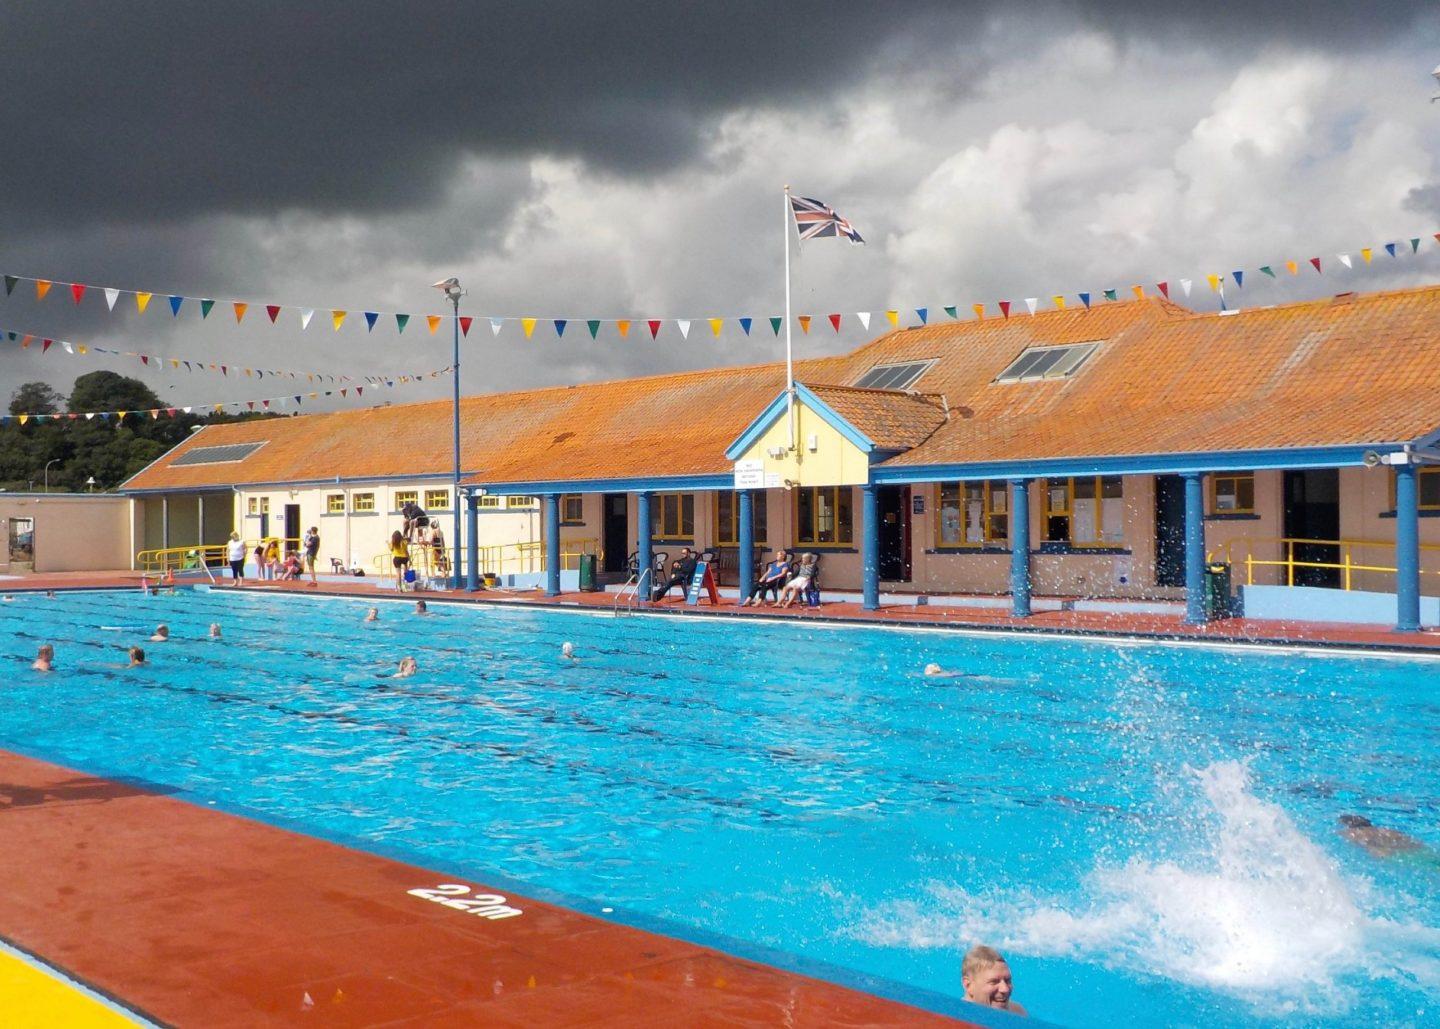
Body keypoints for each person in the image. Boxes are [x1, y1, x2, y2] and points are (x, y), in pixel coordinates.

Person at [961, 945, 1027, 1016]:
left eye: (1007, 981)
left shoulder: (1017, 1013)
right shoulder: (956, 1018)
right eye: (994, 982)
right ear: (968, 985)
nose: (1005, 989)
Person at [1338, 814, 1435, 860]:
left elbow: (1378, 852)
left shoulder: (1356, 834)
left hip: (1407, 853)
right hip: (1419, 847)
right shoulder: (1385, 830)